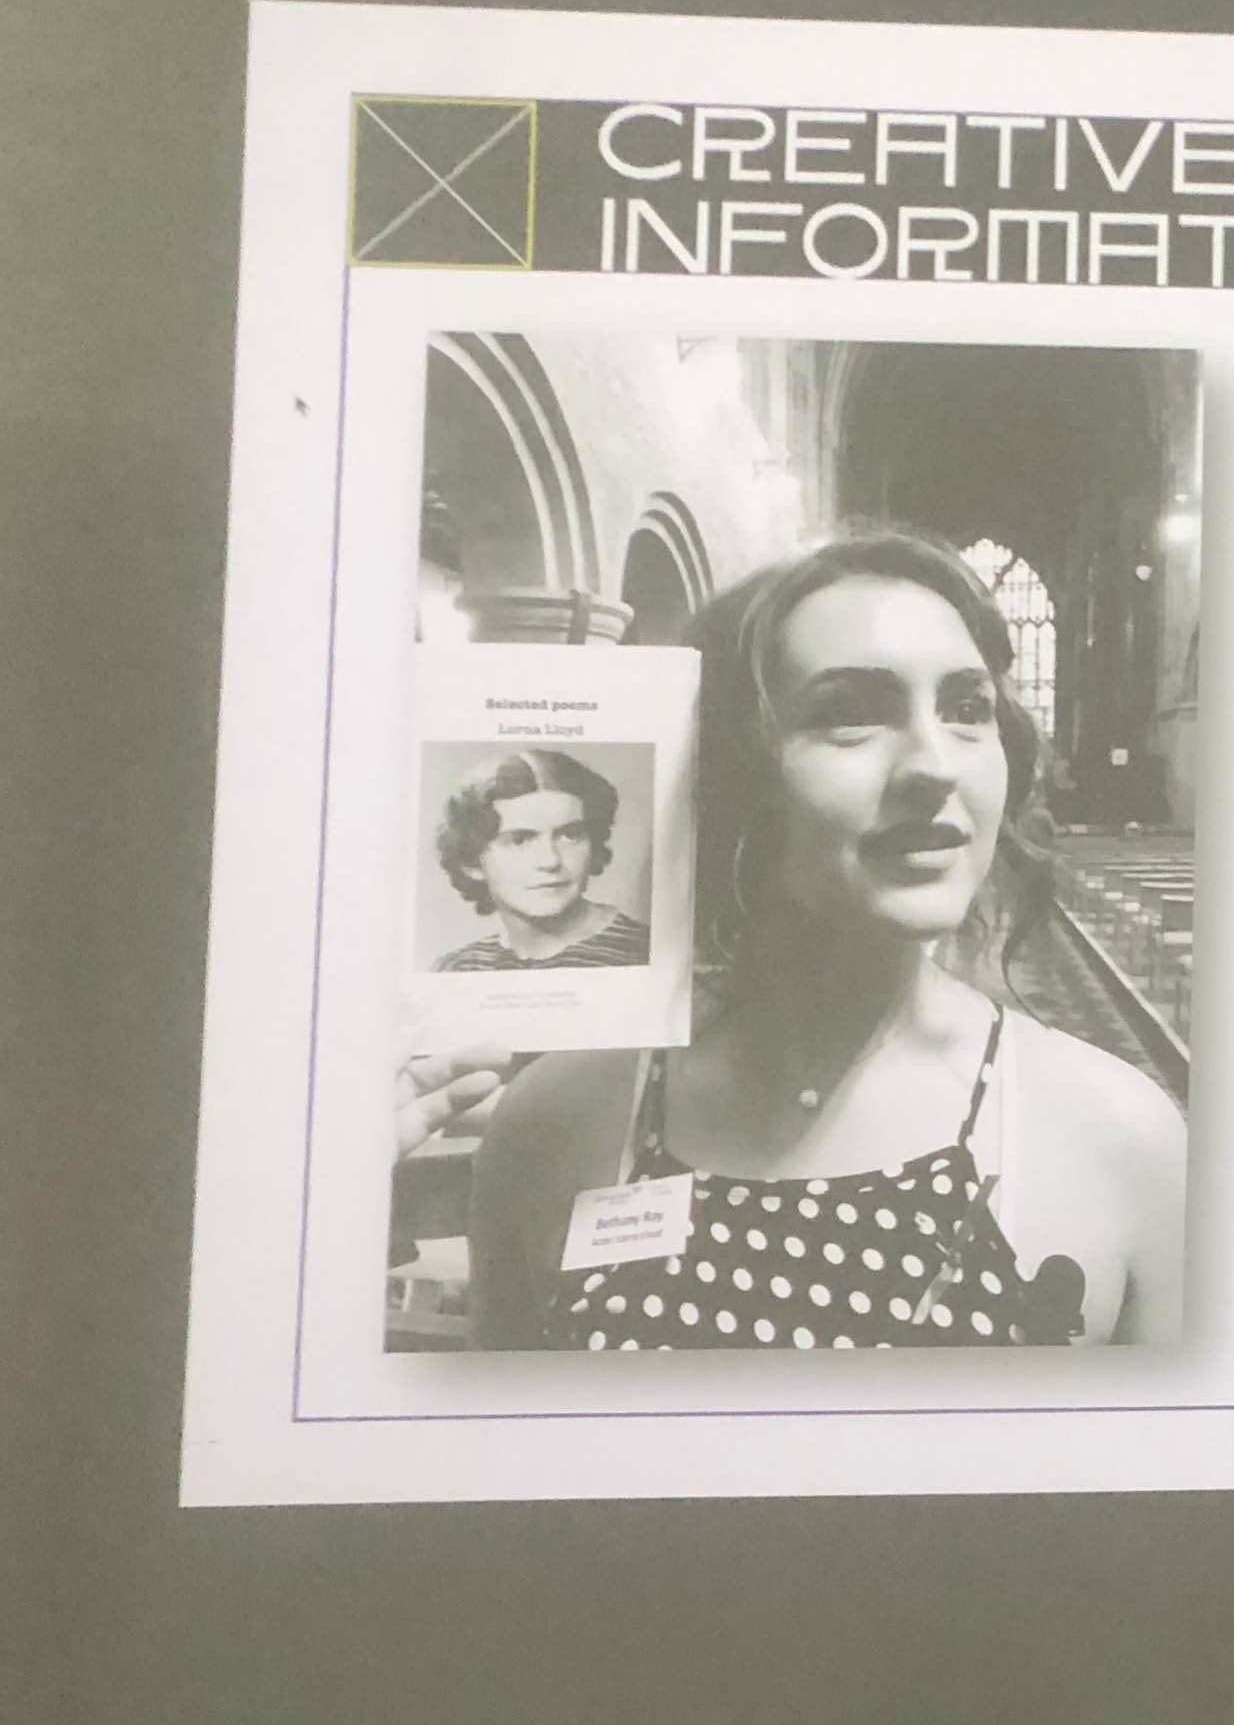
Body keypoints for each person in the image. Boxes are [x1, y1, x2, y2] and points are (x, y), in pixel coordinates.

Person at [465, 529, 1187, 1348]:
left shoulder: (1118, 1135)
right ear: (729, 769)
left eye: (967, 709)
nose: (935, 766)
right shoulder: (557, 1122)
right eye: (848, 715)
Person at [430, 746, 648, 971]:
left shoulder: (640, 953)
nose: (550, 861)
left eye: (570, 835)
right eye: (520, 840)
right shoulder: (456, 967)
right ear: (472, 861)